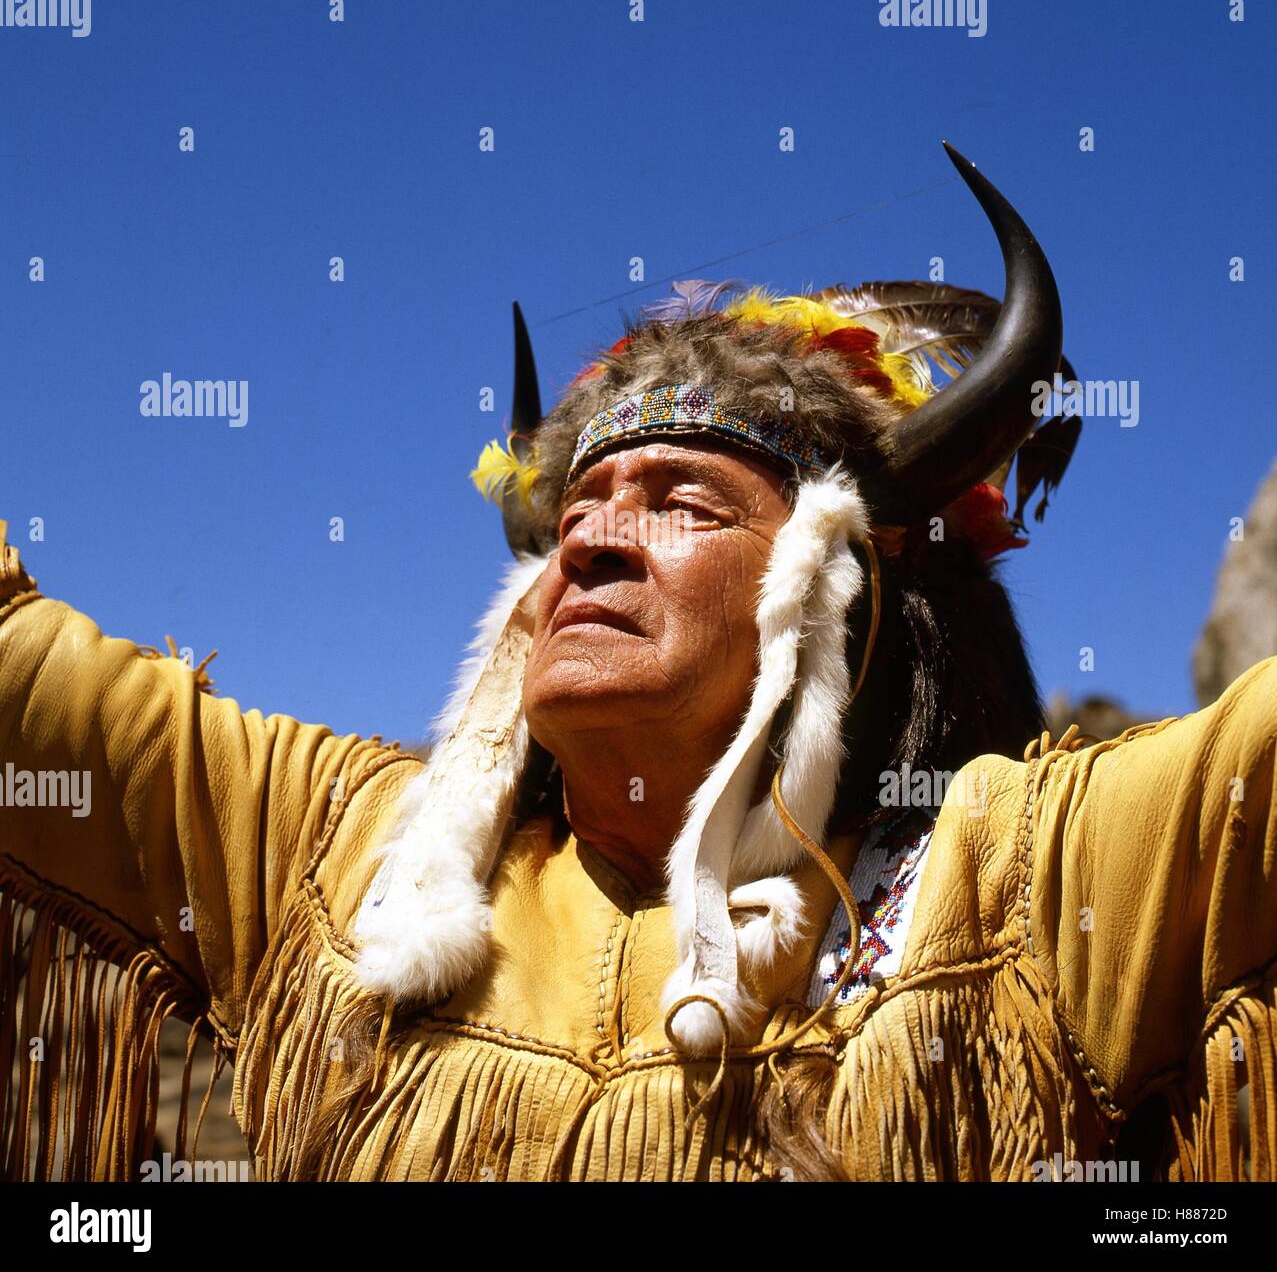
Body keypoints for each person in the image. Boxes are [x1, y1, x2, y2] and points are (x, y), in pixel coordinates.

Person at [1, 146, 1273, 1181]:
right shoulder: (336, 854)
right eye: (574, 513)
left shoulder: (1020, 880)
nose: (595, 537)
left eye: (683, 501)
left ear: (833, 587)